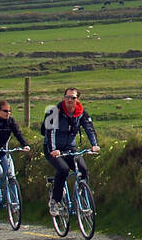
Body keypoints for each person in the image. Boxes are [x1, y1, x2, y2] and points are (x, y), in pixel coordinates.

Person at [42, 86, 100, 216]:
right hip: (52, 147)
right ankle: (55, 201)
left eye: (73, 98)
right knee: (63, 169)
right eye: (67, 97)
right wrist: (53, 150)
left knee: (83, 169)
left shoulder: (81, 113)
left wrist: (95, 145)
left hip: (69, 147)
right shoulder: (54, 111)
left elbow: (89, 129)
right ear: (64, 98)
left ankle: (83, 202)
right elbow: (50, 132)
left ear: (77, 99)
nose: (69, 100)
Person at [0, 100, 31, 213]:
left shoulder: (10, 122)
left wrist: (25, 145)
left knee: (11, 176)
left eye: (9, 111)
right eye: (5, 111)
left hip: (3, 152)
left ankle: (15, 205)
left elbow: (18, 134)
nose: (8, 113)